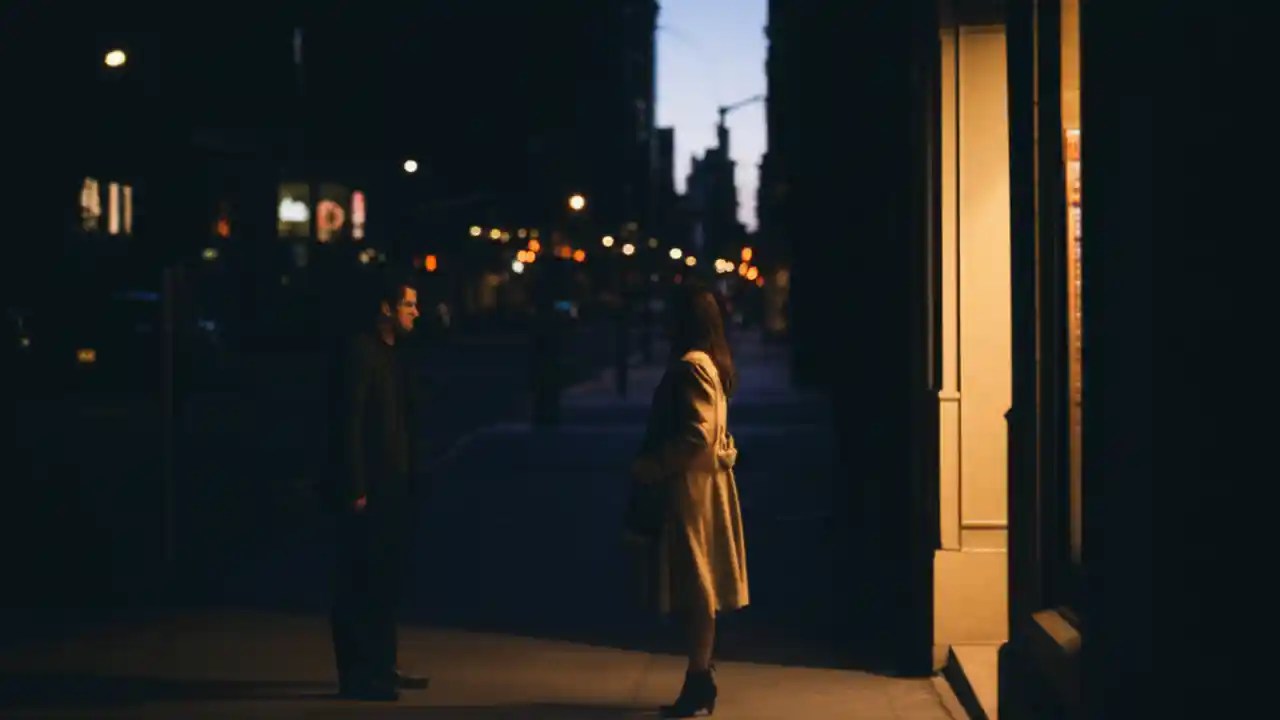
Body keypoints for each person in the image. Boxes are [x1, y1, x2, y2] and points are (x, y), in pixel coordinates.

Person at [631, 282, 749, 718]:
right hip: (705, 485)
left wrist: (655, 465)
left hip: (690, 489)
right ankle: (700, 676)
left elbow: (698, 433)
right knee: (699, 583)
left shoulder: (690, 366)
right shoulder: (711, 364)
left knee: (696, 584)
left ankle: (699, 677)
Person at [325, 274, 429, 701]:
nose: (416, 313)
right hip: (369, 487)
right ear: (386, 308)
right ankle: (358, 675)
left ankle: (383, 665)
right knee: (359, 581)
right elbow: (348, 421)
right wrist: (355, 485)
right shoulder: (361, 353)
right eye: (408, 306)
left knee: (385, 579)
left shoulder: (395, 355)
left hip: (394, 485)